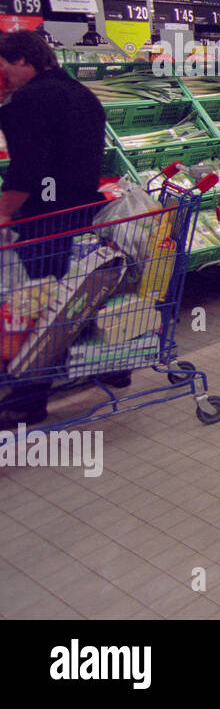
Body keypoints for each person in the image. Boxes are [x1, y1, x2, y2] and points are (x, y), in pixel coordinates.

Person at [0, 30, 108, 426]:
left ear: (24, 61)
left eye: (4, 67)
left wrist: (4, 212)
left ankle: (27, 401)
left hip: (43, 219)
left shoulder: (27, 100)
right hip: (80, 213)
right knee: (71, 296)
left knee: (35, 306)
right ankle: (107, 362)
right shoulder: (84, 95)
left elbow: (27, 170)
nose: (4, 76)